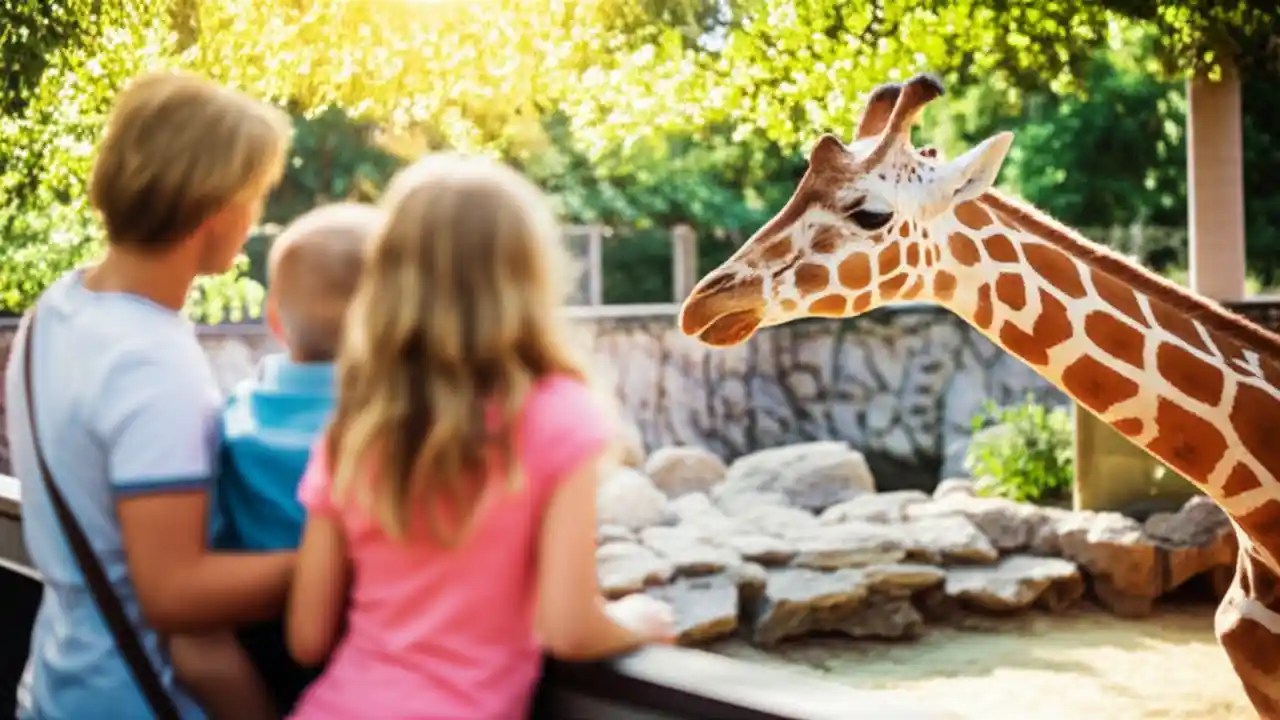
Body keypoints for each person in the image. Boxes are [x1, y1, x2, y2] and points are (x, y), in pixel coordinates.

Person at [285, 154, 678, 720]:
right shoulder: (561, 417)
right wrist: (633, 621)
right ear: (528, 277)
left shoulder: (358, 423)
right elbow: (568, 628)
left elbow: (307, 636)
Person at [4, 71, 295, 719]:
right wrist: (341, 561)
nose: (255, 217)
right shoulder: (150, 363)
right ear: (212, 207)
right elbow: (174, 594)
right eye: (252, 195)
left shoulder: (60, 307)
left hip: (57, 685)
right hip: (133, 700)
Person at [169, 203, 384, 719]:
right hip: (360, 642)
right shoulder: (387, 430)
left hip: (258, 643)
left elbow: (211, 536)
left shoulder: (233, 418)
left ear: (274, 321)